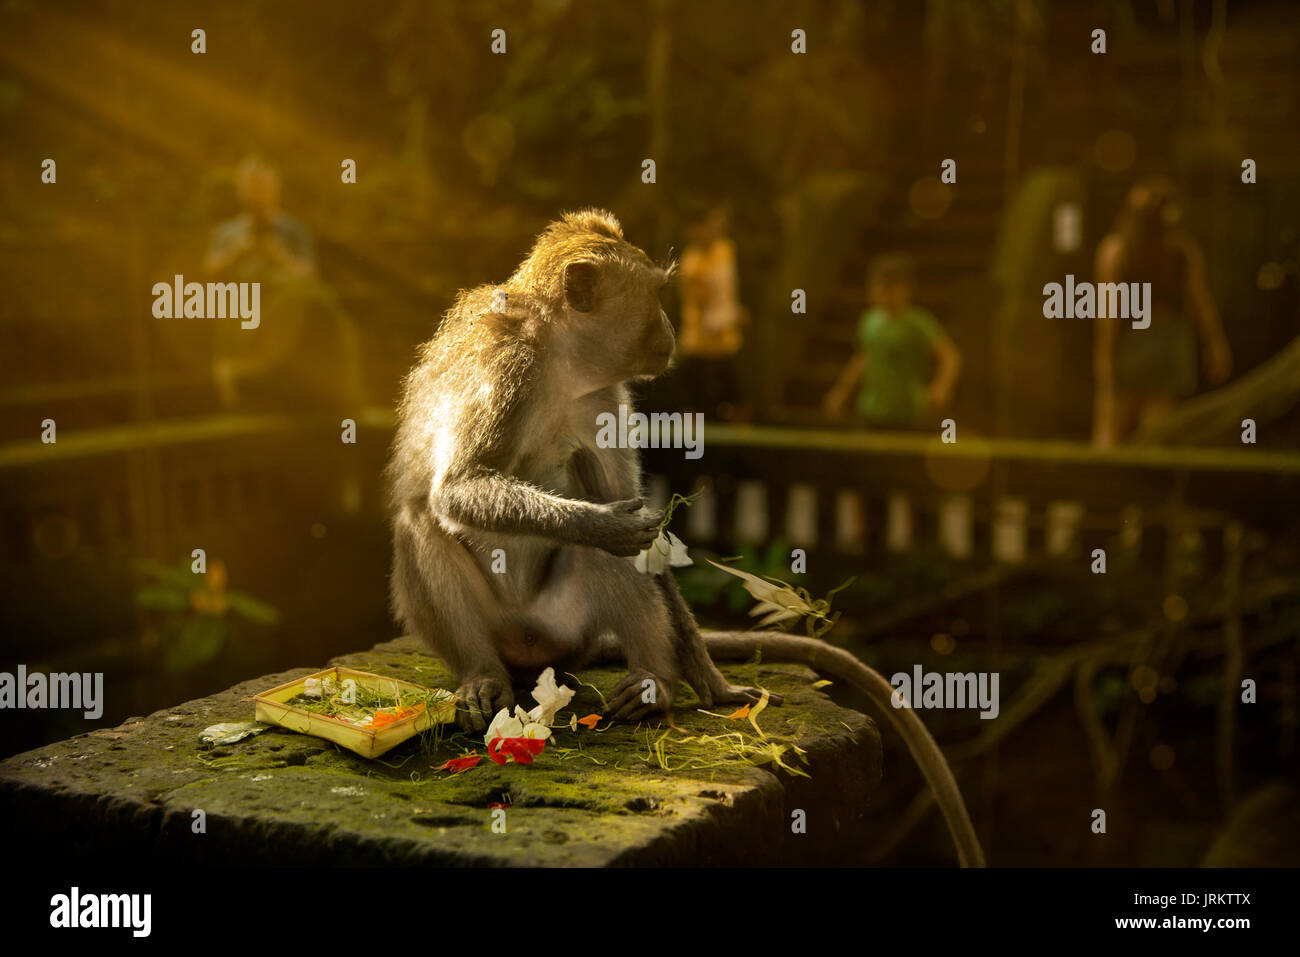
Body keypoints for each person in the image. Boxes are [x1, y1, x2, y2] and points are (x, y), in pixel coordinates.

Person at [1092, 176, 1232, 447]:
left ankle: (1106, 482)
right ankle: (1148, 482)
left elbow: (1109, 312)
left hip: (1135, 341)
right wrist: (1215, 344)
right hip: (1171, 341)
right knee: (1157, 429)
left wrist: (1104, 356)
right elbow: (1201, 302)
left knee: (1111, 425)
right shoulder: (1182, 250)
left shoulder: (1115, 251)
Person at [203, 156, 317, 408]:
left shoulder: (293, 231)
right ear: (241, 191)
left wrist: (277, 255)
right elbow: (207, 272)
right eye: (252, 187)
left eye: (263, 187)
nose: (258, 194)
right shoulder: (227, 233)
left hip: (285, 315)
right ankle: (233, 397)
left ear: (275, 189)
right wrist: (239, 253)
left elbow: (309, 275)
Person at [822, 253, 961, 428]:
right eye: (879, 286)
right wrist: (841, 392)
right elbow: (863, 358)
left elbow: (950, 356)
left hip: (908, 412)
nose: (883, 292)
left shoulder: (918, 322)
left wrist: (941, 387)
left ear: (905, 289)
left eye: (890, 287)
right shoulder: (870, 320)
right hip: (872, 408)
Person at [676, 204, 748, 420]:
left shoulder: (726, 250)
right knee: (698, 405)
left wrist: (734, 311)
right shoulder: (691, 263)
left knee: (736, 401)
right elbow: (702, 302)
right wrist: (729, 314)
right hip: (700, 344)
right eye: (706, 225)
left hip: (726, 342)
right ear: (695, 230)